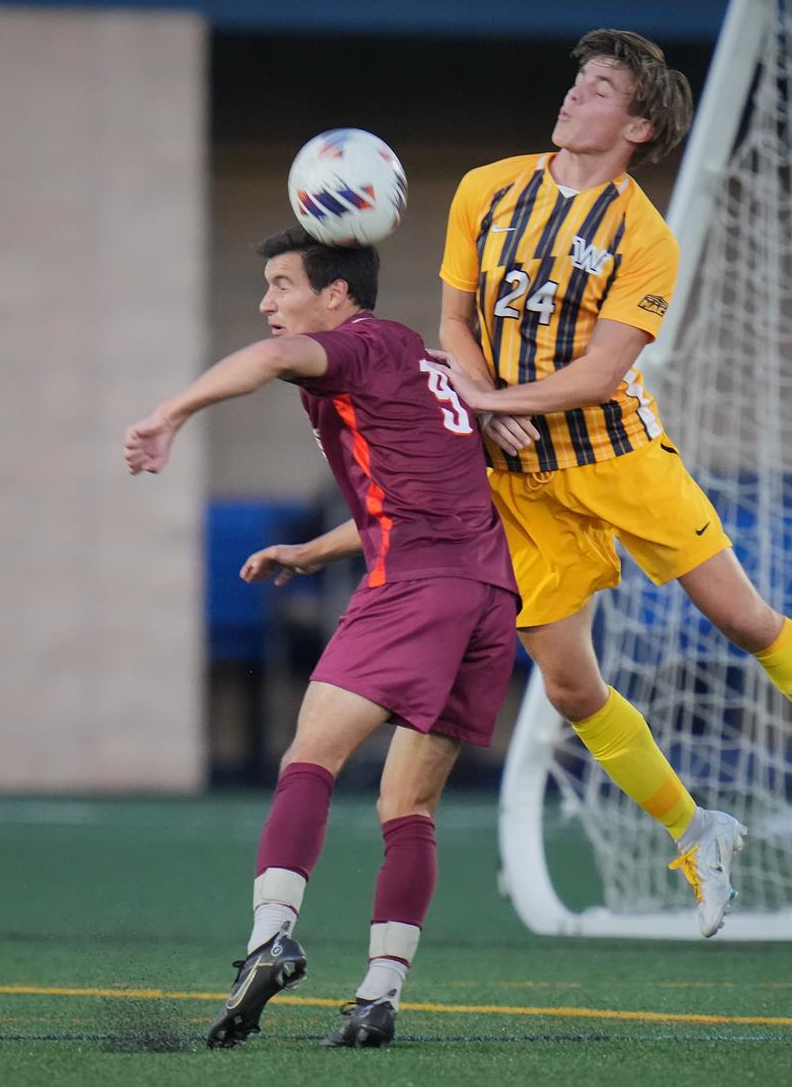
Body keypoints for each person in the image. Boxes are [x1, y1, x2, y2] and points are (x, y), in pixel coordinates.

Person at [436, 29, 792, 937]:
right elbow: (455, 323)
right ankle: (697, 832)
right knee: (570, 688)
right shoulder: (486, 189)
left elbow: (599, 374)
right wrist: (483, 403)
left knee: (743, 618)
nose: (574, 96)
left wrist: (496, 402)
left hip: (620, 457)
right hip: (522, 476)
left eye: (600, 89)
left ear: (640, 126)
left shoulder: (646, 239)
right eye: (578, 81)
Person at [124, 226, 518, 1050]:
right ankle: (379, 997)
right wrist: (312, 550)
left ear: (336, 294)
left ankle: (270, 937)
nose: (267, 304)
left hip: (415, 584)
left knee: (309, 759)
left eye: (282, 285)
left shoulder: (358, 347)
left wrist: (169, 415)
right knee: (408, 807)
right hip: (486, 595)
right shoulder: (418, 362)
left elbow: (271, 360)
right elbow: (423, 491)